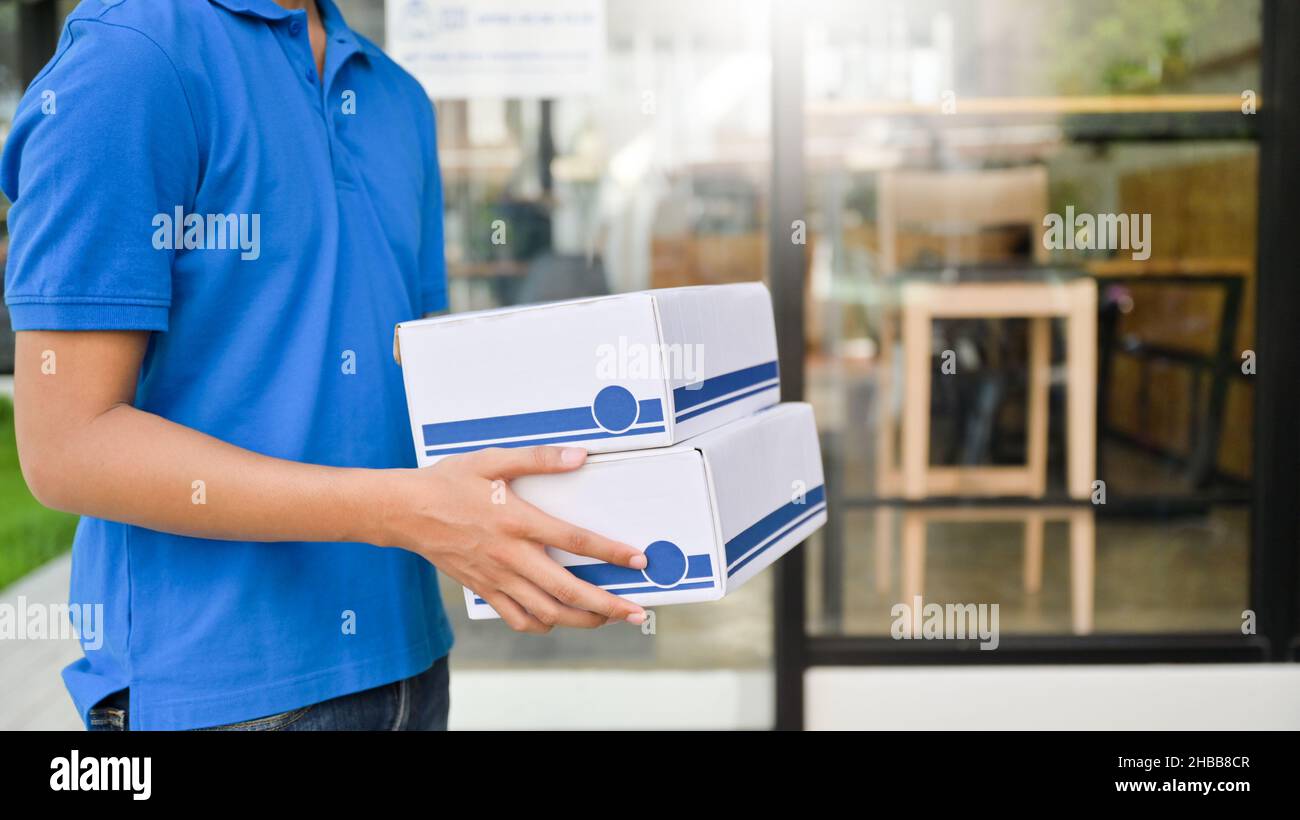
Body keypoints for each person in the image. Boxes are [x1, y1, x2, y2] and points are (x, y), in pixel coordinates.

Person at [1, 0, 645, 731]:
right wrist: (405, 513)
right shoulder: (132, 58)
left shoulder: (396, 96)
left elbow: (406, 378)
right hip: (220, 695)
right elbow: (66, 447)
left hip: (410, 666)